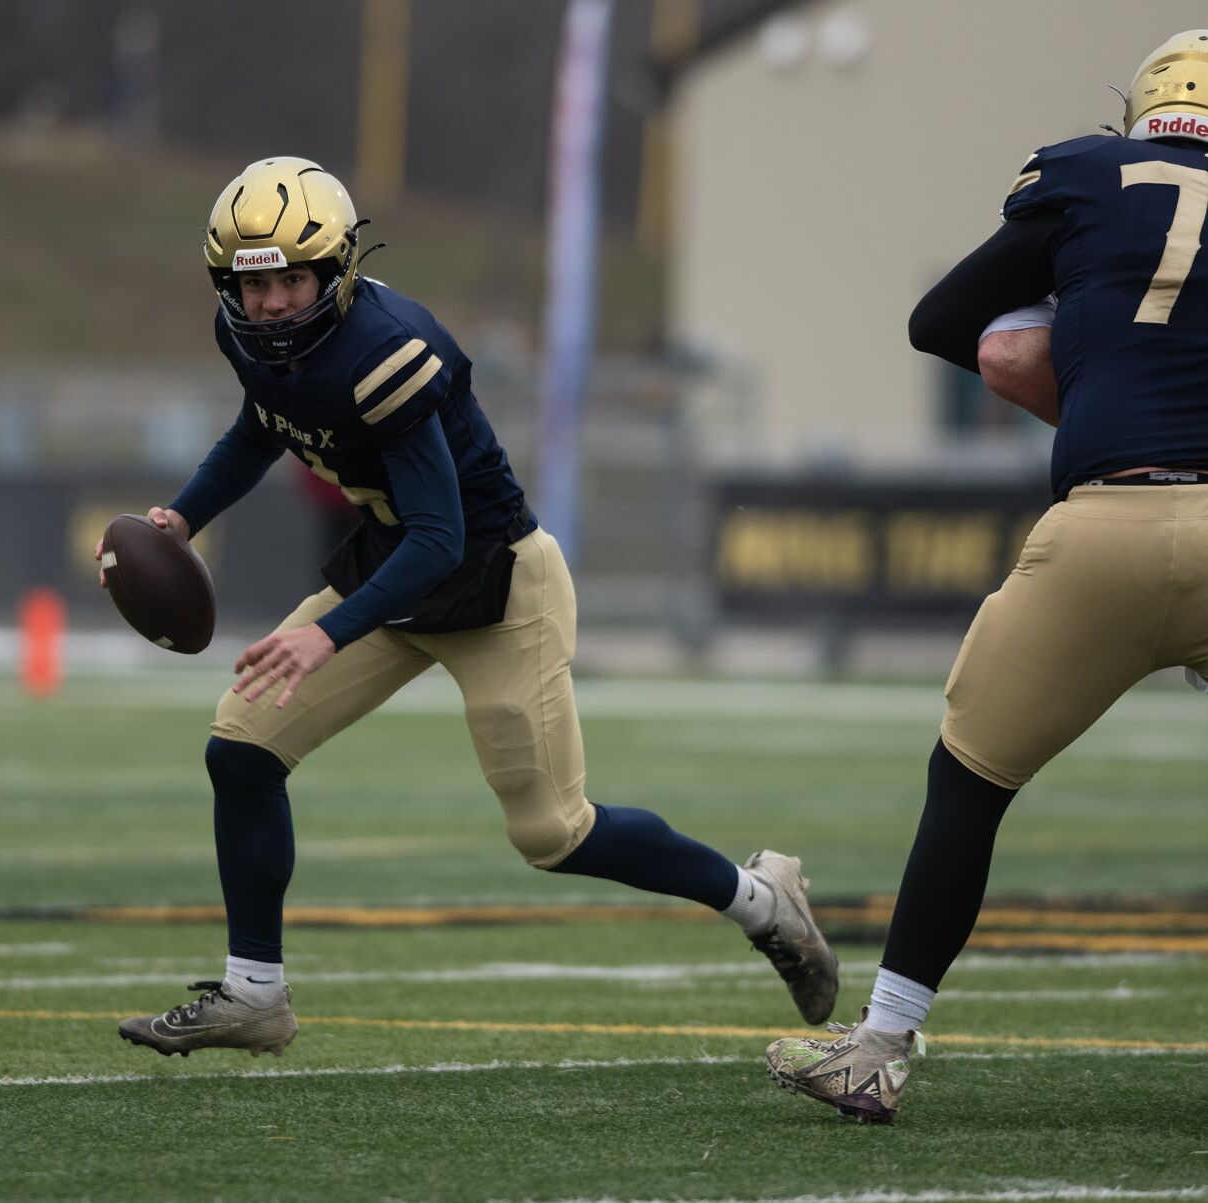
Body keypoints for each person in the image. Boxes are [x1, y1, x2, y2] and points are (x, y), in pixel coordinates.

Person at [104, 156, 839, 1057]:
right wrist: (183, 516)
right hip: (393, 561)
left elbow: (440, 539)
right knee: (243, 746)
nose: (271, 305)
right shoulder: (252, 337)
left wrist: (328, 635)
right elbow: (264, 424)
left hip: (495, 583)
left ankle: (762, 901)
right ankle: (254, 994)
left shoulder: (385, 351)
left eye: (291, 280)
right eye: (252, 286)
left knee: (553, 832)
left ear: (335, 268)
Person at [766, 30, 1208, 1124]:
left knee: (968, 779)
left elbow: (947, 326)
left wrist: (1100, 376)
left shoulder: (1087, 176)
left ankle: (878, 1047)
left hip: (1101, 528)